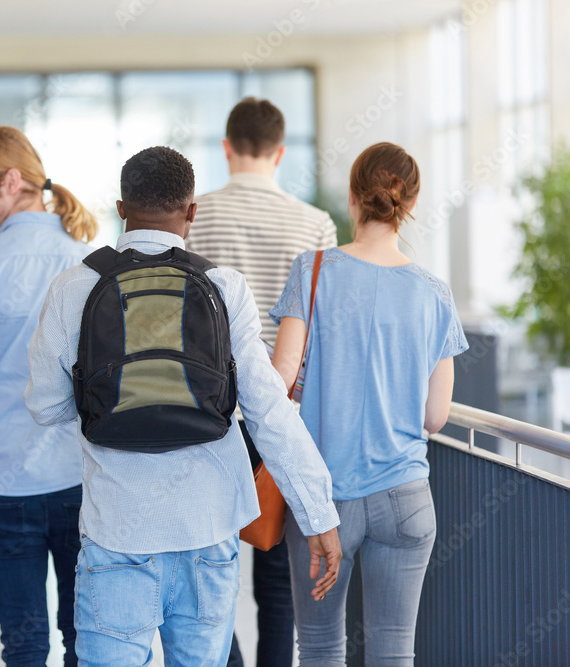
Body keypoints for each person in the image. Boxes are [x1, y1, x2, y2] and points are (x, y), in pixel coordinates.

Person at [25, 146, 342, 667]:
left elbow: (45, 406)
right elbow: (269, 411)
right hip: (206, 532)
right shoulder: (224, 287)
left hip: (117, 531)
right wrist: (319, 516)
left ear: (122, 208)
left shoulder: (75, 286)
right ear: (191, 211)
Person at [270, 142, 468, 665]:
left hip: (322, 497)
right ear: (410, 202)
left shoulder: (312, 271)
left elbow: (280, 378)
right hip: (404, 496)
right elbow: (435, 416)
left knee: (318, 646)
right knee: (393, 651)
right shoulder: (434, 292)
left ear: (354, 199)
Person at [0, 126, 97, 666]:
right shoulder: (89, 264)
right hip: (81, 479)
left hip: (0, 483)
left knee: (23, 643)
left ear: (10, 181)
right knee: (85, 638)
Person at [186, 97, 337, 667]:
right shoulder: (313, 223)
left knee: (210, 567)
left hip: (209, 414)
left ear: (227, 148)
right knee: (277, 580)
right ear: (280, 151)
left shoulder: (196, 214)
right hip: (283, 417)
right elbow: (318, 326)